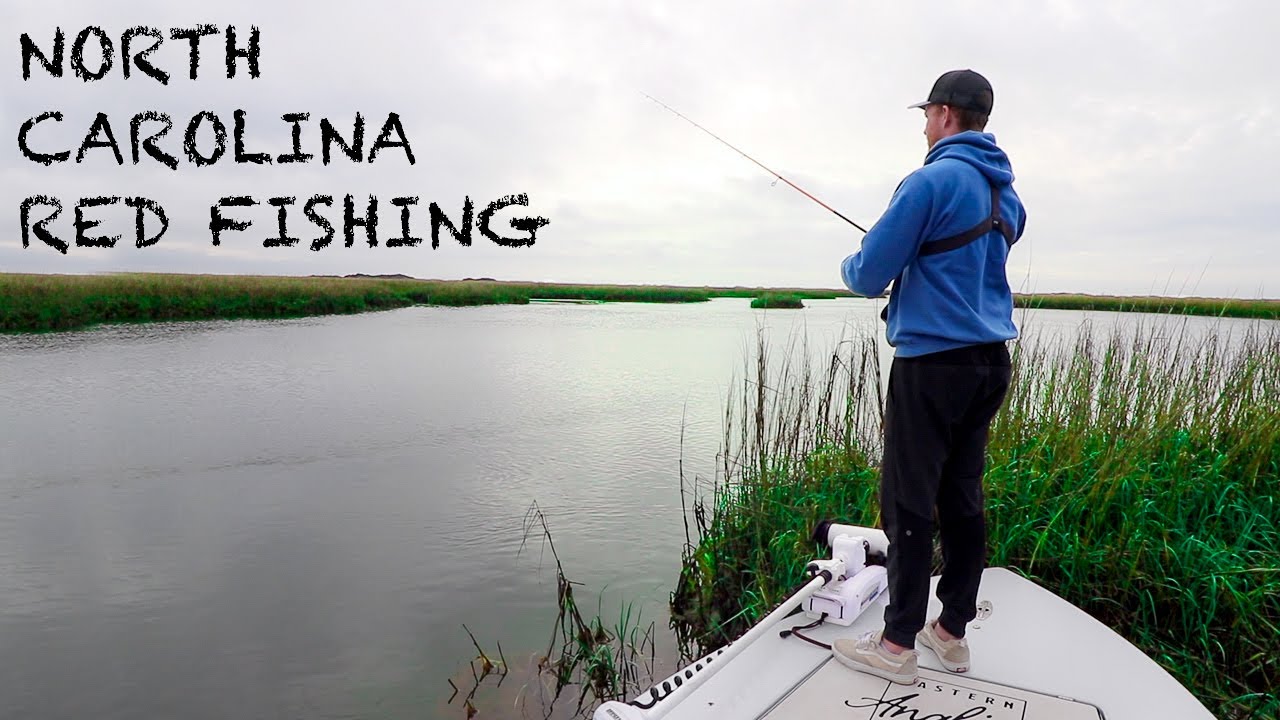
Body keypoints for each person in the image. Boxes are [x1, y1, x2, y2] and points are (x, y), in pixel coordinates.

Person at [831, 69, 1026, 685]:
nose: (923, 124)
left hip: (932, 367)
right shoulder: (1007, 197)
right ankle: (950, 633)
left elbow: (866, 274)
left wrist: (855, 260)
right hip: (990, 363)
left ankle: (896, 647)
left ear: (945, 114)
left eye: (926, 113)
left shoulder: (929, 181)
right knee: (963, 500)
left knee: (908, 504)